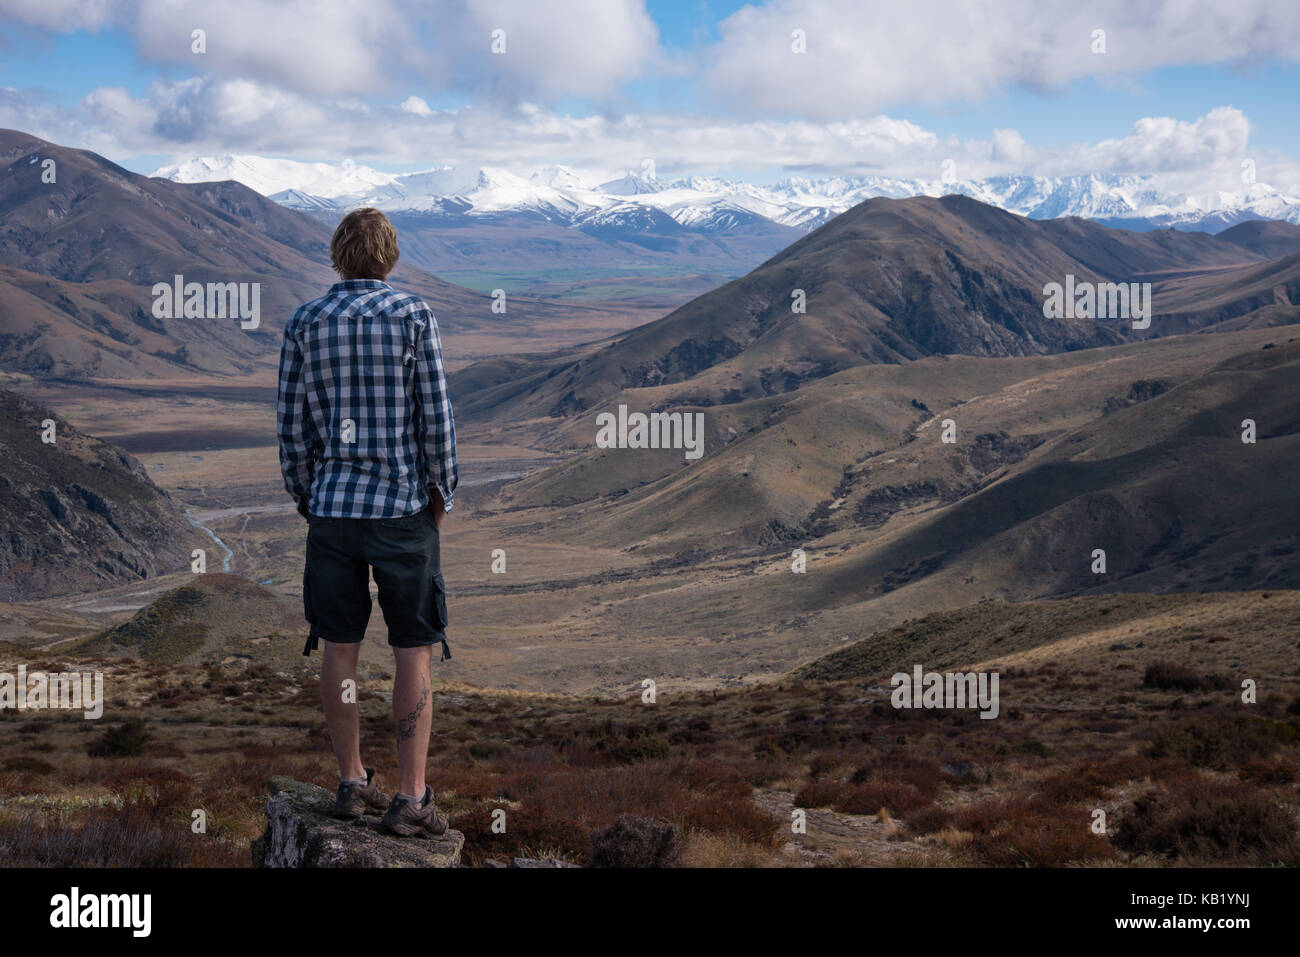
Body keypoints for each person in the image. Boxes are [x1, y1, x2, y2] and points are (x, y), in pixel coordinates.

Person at [276, 206, 457, 838]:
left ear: (336, 254)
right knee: (414, 651)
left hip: (332, 511)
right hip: (400, 510)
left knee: (338, 647)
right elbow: (435, 416)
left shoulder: (305, 321)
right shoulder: (412, 317)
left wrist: (311, 496)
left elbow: (292, 429)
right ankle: (410, 798)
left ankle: (352, 781)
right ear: (390, 255)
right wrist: (441, 495)